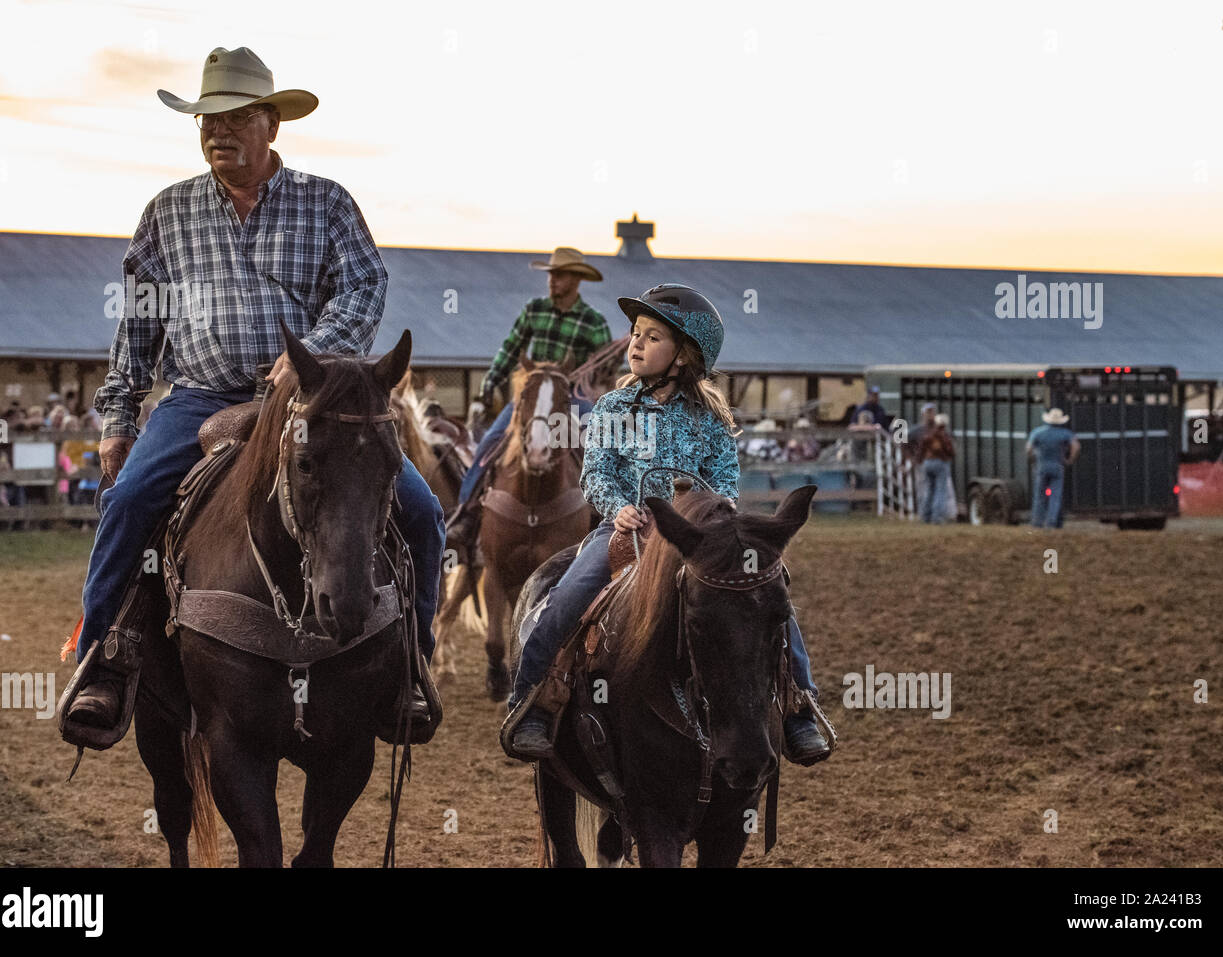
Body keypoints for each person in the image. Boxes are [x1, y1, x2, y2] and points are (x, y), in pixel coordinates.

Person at [66, 47, 444, 733]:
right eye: (208, 119)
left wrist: (316, 355)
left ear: (271, 123)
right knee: (126, 502)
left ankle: (412, 663)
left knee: (420, 511)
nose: (219, 131)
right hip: (201, 396)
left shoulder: (325, 202)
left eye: (237, 117)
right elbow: (141, 320)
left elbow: (365, 284)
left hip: (306, 401)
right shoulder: (168, 213)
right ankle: (104, 657)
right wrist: (119, 418)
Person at [506, 283, 830, 765]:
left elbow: (725, 482)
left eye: (653, 336)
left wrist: (706, 518)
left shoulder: (709, 419)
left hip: (695, 537)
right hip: (625, 531)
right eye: (636, 333)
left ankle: (800, 705)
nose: (636, 343)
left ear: (683, 356)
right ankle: (534, 702)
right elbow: (596, 471)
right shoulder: (613, 409)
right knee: (566, 600)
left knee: (771, 593)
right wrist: (617, 507)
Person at [444, 247, 612, 551]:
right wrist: (485, 392)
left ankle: (603, 515)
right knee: (489, 444)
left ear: (576, 279)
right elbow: (509, 351)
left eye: (559, 275)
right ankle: (466, 515)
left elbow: (607, 371)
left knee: (599, 445)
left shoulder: (593, 321)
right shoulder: (534, 310)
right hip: (532, 395)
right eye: (551, 275)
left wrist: (597, 383)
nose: (552, 281)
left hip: (572, 398)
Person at [1027, 408, 1080, 528]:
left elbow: (1029, 448)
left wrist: (1033, 459)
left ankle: (1037, 521)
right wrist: (1069, 460)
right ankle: (1051, 522)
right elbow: (1076, 446)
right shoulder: (1065, 433)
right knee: (1055, 496)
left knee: (1039, 495)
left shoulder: (1038, 432)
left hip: (1042, 466)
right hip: (1057, 465)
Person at [920, 413, 955, 524]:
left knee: (929, 490)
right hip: (940, 463)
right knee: (941, 490)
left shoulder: (928, 434)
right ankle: (937, 517)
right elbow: (949, 450)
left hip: (927, 462)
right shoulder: (943, 435)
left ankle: (925, 516)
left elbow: (922, 448)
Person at [906, 403, 937, 521]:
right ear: (923, 414)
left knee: (934, 489)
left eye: (932, 412)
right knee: (922, 489)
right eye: (928, 412)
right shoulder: (917, 430)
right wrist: (911, 458)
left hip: (935, 461)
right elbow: (904, 444)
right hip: (921, 463)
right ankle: (923, 514)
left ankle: (934, 514)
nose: (931, 415)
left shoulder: (937, 429)